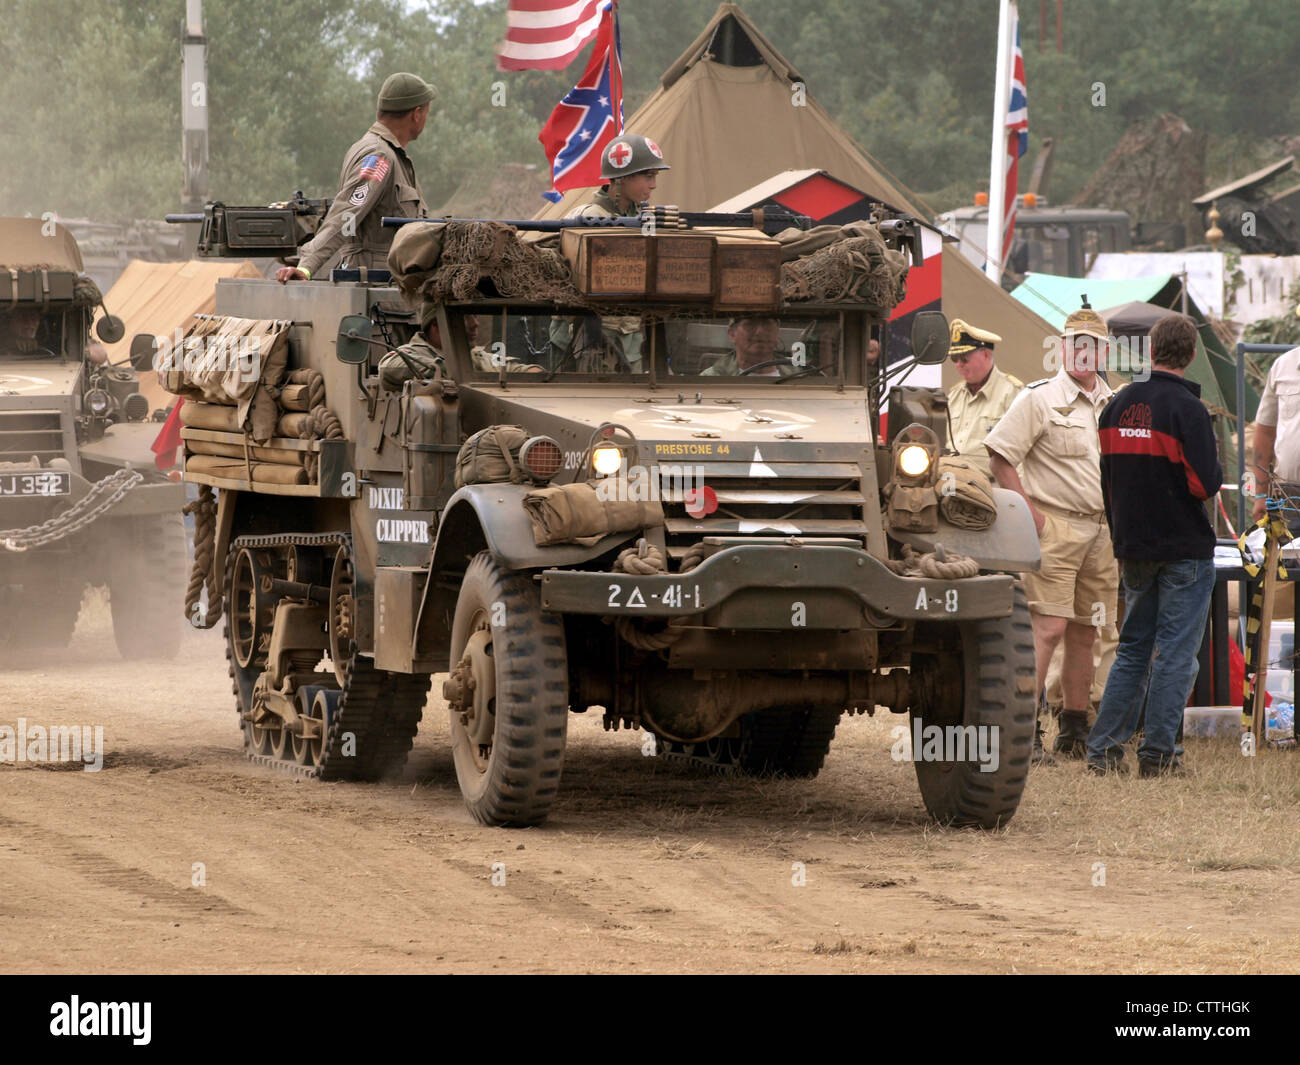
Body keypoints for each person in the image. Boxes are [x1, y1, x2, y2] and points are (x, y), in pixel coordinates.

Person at [1086, 314, 1222, 776]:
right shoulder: (1189, 411)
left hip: (1132, 546)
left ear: (1149, 352)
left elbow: (1107, 478)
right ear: (1190, 356)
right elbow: (1204, 484)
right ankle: (1159, 756)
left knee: (1132, 650)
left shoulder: (1116, 405)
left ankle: (1103, 751)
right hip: (1183, 548)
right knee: (1175, 655)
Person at [984, 300, 1118, 764]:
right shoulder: (1038, 398)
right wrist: (1029, 514)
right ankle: (1024, 731)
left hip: (1104, 531)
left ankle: (1074, 727)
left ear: (1104, 353)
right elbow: (1000, 456)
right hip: (1056, 525)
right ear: (1062, 349)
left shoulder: (1115, 403)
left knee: (1088, 630)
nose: (1083, 353)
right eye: (1074, 345)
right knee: (1047, 628)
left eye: (1092, 346)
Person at [276, 72, 436, 283]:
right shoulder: (379, 157)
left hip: (394, 289)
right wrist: (307, 266)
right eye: (426, 112)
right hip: (380, 294)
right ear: (416, 114)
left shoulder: (387, 154)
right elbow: (347, 213)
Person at [550, 134, 672, 372]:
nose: (653, 184)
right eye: (648, 176)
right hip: (584, 339)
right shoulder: (585, 218)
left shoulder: (645, 218)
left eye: (654, 176)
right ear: (622, 177)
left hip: (629, 337)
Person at [378, 306, 540, 389]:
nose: (475, 324)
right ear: (436, 324)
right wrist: (445, 370)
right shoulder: (415, 352)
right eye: (466, 318)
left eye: (475, 316)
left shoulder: (479, 357)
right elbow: (389, 368)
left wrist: (539, 375)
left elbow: (515, 369)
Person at [944, 318, 1022, 477]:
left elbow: (1022, 454)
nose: (959, 364)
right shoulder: (954, 395)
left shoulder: (1011, 393)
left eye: (964, 358)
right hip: (951, 484)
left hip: (991, 489)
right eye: (954, 359)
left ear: (986, 355)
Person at [1251, 339, 1300, 529]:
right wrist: (1261, 495)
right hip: (1290, 499)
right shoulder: (1284, 366)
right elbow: (1264, 432)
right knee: (1288, 558)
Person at [701, 317, 798, 377]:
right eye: (750, 324)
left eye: (767, 324)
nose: (760, 331)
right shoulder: (712, 379)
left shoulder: (798, 377)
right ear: (732, 334)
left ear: (777, 333)